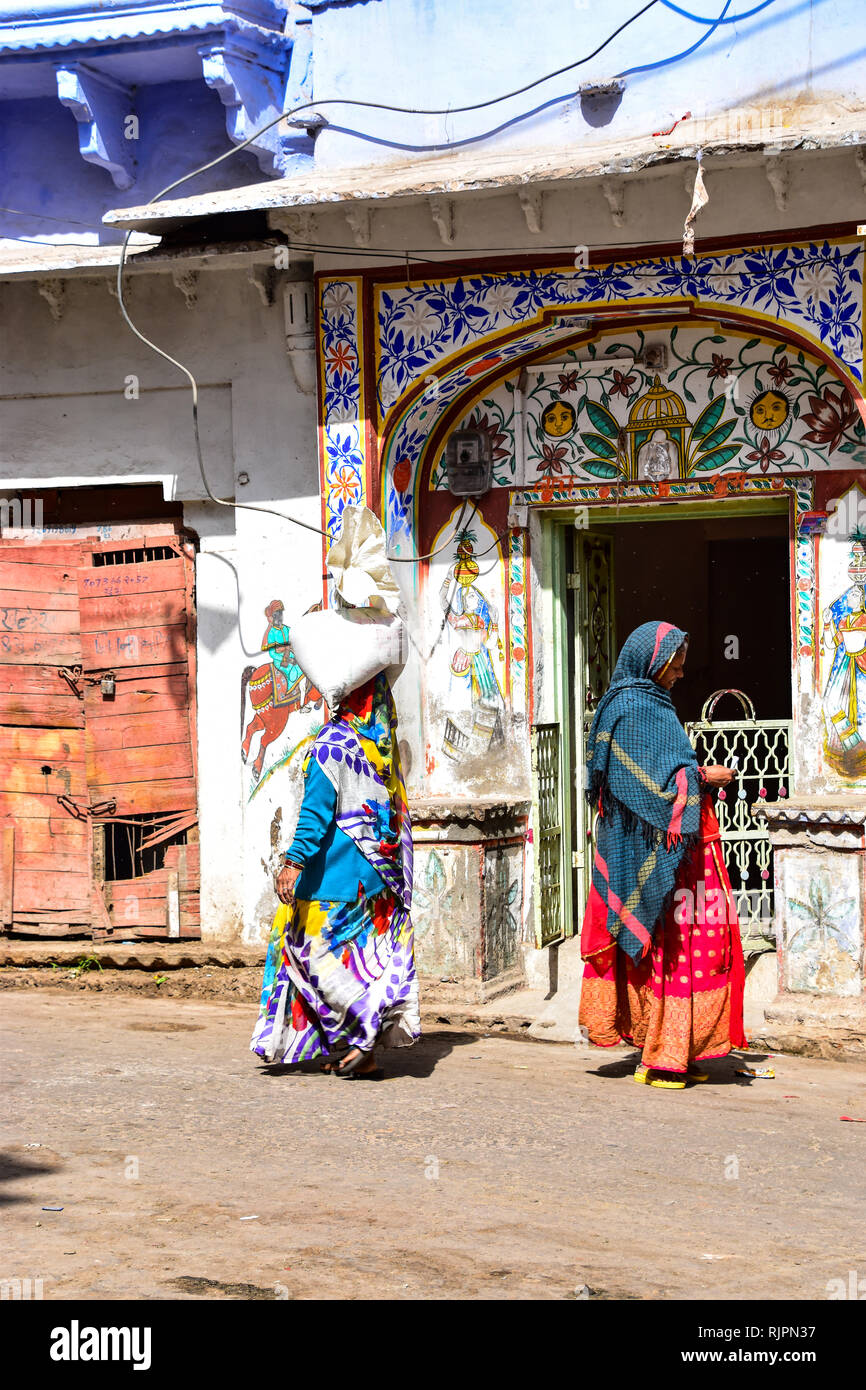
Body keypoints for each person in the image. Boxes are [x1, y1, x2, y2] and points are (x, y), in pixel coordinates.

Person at [578, 620, 746, 1089]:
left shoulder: (650, 703)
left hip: (680, 850)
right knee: (679, 949)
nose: (680, 674)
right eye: (675, 665)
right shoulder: (632, 708)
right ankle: (663, 1057)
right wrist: (702, 778)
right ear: (653, 661)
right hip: (660, 855)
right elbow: (648, 788)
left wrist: (690, 775)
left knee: (692, 946)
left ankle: (674, 1049)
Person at [250, 671, 419, 1077]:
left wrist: (292, 862)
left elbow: (315, 815)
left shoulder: (330, 746)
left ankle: (362, 1036)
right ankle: (353, 1050)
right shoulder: (380, 751)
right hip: (377, 882)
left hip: (334, 881)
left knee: (308, 954)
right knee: (352, 966)